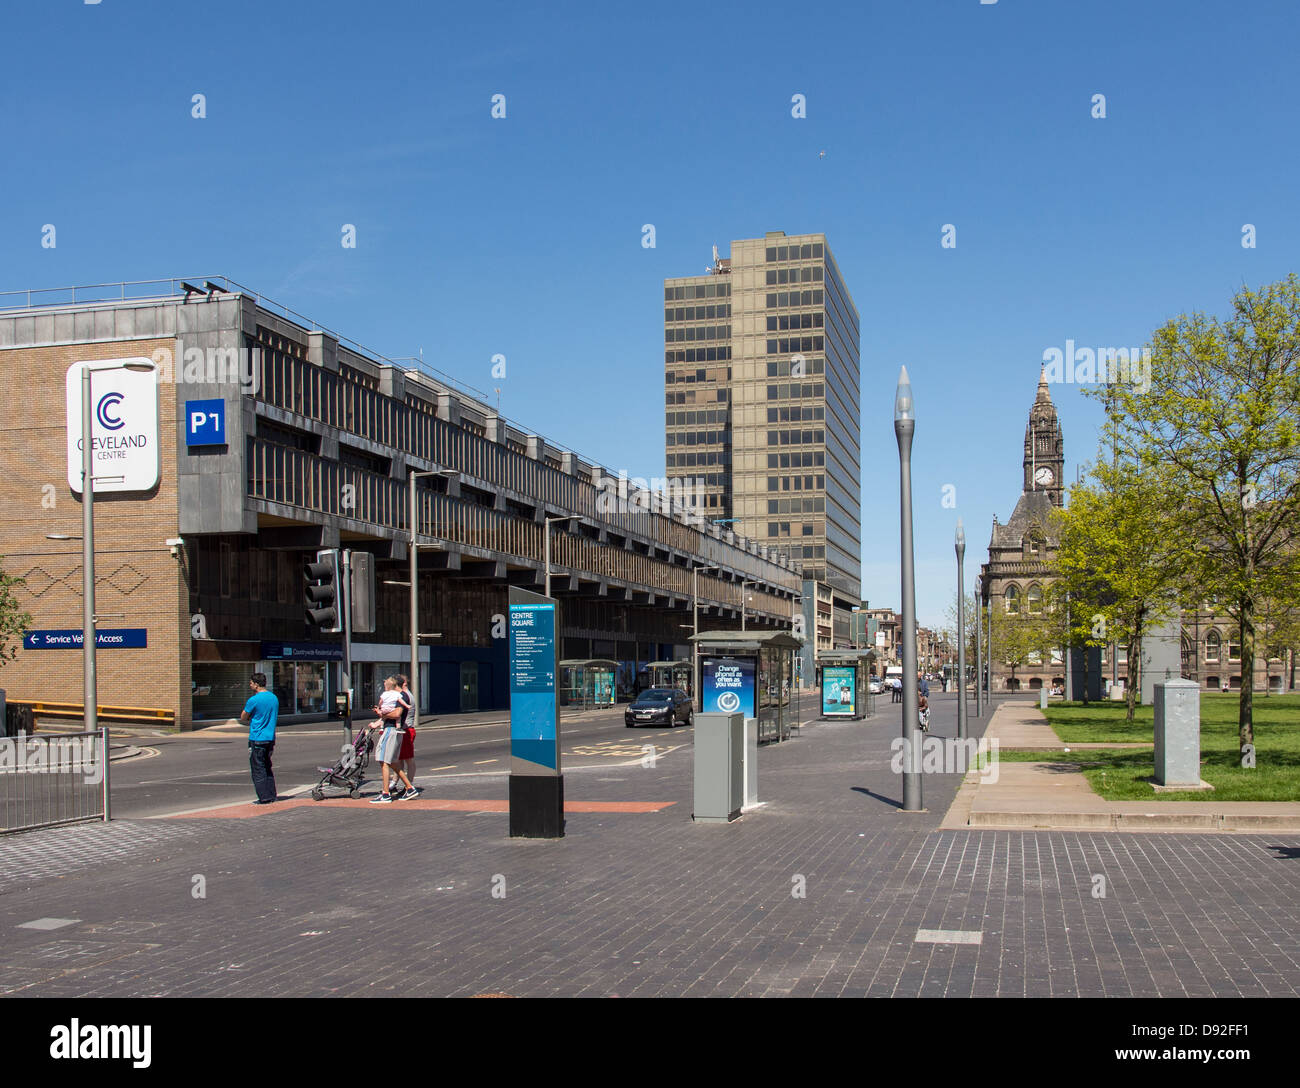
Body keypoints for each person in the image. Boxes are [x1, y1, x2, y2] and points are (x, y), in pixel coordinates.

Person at [369, 676, 416, 803]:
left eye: (387, 686)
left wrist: (381, 714)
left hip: (391, 731)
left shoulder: (401, 696)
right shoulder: (397, 696)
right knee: (390, 761)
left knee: (384, 761)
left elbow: (396, 714)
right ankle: (409, 788)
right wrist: (378, 721)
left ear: (394, 685)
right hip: (391, 729)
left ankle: (386, 794)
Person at [240, 672, 279, 804]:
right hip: (270, 737)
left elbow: (243, 716)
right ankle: (272, 794)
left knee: (258, 768)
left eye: (251, 683)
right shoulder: (273, 698)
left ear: (256, 684)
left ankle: (264, 796)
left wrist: (251, 717)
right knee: (267, 765)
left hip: (257, 737)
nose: (250, 685)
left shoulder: (254, 700)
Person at [393, 674, 419, 799]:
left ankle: (409, 786)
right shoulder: (404, 695)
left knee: (408, 759)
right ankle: (399, 783)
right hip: (405, 729)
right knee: (400, 759)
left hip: (407, 730)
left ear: (402, 684)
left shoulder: (405, 696)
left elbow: (398, 713)